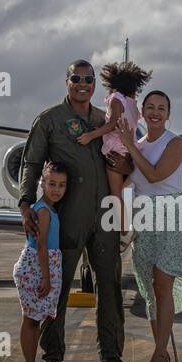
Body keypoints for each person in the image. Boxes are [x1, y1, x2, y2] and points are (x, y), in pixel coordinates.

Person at [18, 59, 133, 362]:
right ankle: (52, 356)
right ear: (67, 81)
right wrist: (26, 202)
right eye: (76, 78)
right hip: (66, 217)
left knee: (110, 284)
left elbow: (127, 158)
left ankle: (111, 355)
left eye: (89, 79)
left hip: (105, 216)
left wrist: (127, 170)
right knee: (57, 287)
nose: (83, 83)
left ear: (95, 84)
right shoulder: (50, 120)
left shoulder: (105, 118)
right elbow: (31, 162)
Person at [117, 90, 182, 362]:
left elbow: (156, 175)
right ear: (142, 113)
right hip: (143, 216)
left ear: (168, 114)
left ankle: (158, 357)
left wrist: (130, 149)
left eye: (161, 108)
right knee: (149, 290)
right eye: (150, 107)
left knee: (163, 284)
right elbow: (125, 181)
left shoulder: (176, 143)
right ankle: (161, 355)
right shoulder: (138, 144)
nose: (155, 112)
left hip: (169, 214)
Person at [75, 60, 153, 249]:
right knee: (124, 189)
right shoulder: (132, 104)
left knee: (116, 195)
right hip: (130, 151)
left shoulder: (116, 99)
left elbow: (113, 125)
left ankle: (125, 232)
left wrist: (90, 135)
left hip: (115, 151)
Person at [13, 161, 66, 362]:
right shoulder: (43, 211)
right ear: (42, 183)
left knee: (34, 318)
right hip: (36, 268)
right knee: (31, 319)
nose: (56, 189)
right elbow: (41, 246)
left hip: (40, 266)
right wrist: (46, 276)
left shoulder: (48, 209)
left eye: (62, 185)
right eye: (51, 183)